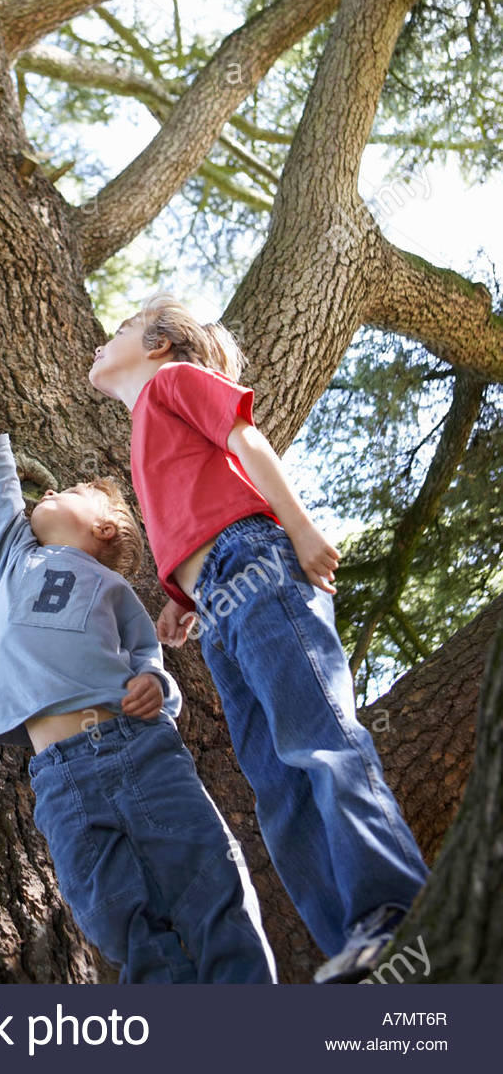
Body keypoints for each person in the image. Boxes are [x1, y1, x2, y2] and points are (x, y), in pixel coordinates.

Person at [88, 293, 429, 983]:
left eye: (120, 327)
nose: (105, 338)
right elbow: (196, 511)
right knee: (277, 788)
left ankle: (396, 915)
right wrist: (182, 599)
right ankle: (357, 951)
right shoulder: (145, 429)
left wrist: (299, 526)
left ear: (157, 344)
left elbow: (247, 443)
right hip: (219, 601)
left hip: (260, 563)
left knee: (322, 743)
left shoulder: (175, 382)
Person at [0, 343, 277, 984]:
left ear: (104, 529)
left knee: (212, 890)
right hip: (62, 781)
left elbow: (147, 656)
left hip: (140, 752)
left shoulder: (116, 590)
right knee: (119, 923)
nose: (54, 490)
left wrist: (157, 685)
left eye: (71, 491)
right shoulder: (15, 559)